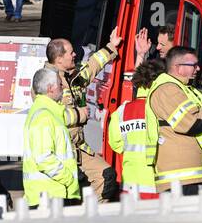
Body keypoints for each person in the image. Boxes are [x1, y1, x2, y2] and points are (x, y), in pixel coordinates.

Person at [44, 32, 121, 198]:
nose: (75, 55)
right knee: (67, 194)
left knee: (106, 176)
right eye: (70, 53)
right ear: (58, 59)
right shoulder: (46, 82)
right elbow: (47, 117)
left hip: (78, 147)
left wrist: (111, 46)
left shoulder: (71, 76)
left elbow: (91, 67)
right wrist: (79, 115)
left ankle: (90, 218)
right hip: (60, 151)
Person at [148, 45, 202, 194]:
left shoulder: (183, 88)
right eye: (194, 65)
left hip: (195, 177)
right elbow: (191, 123)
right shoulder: (167, 90)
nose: (198, 69)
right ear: (178, 68)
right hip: (184, 179)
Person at [22, 67, 79, 207]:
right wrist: (69, 180)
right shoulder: (44, 115)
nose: (63, 87)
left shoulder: (47, 112)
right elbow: (44, 158)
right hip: (51, 196)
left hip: (52, 193)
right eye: (60, 84)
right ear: (50, 88)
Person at [107, 58, 164, 199]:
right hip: (159, 185)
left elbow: (116, 144)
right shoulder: (163, 110)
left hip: (130, 185)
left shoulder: (122, 111)